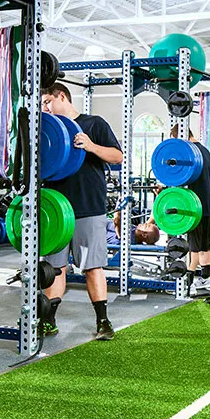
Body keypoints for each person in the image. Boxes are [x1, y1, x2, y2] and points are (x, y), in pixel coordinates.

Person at [42, 83, 124, 340]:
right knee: (54, 268)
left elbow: (117, 156)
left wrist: (91, 146)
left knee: (93, 266)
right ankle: (48, 320)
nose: (45, 108)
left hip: (89, 206)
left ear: (62, 96)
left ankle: (103, 321)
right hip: (56, 210)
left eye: (47, 102)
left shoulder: (93, 124)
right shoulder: (47, 131)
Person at [172, 127, 210, 296]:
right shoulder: (205, 151)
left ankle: (189, 282)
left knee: (194, 246)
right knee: (204, 246)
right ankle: (207, 278)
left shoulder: (187, 154)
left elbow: (180, 179)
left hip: (196, 208)